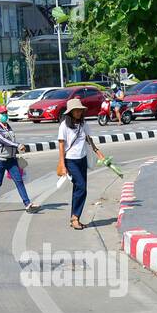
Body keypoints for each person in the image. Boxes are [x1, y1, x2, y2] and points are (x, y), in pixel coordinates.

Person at [57, 97, 107, 231]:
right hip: (71, 160)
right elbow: (61, 145)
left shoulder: (83, 124)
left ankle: (75, 218)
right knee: (81, 187)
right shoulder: (64, 126)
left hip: (82, 159)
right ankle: (75, 217)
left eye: (80, 110)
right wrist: (62, 164)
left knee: (78, 189)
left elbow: (89, 139)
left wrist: (98, 152)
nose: (79, 112)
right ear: (70, 112)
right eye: (76, 110)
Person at [0, 104, 36, 213]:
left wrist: (16, 149)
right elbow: (2, 140)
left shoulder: (7, 126)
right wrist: (17, 145)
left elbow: (11, 139)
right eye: (2, 113)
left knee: (19, 180)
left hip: (11, 159)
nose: (5, 115)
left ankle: (27, 203)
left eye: (5, 113)